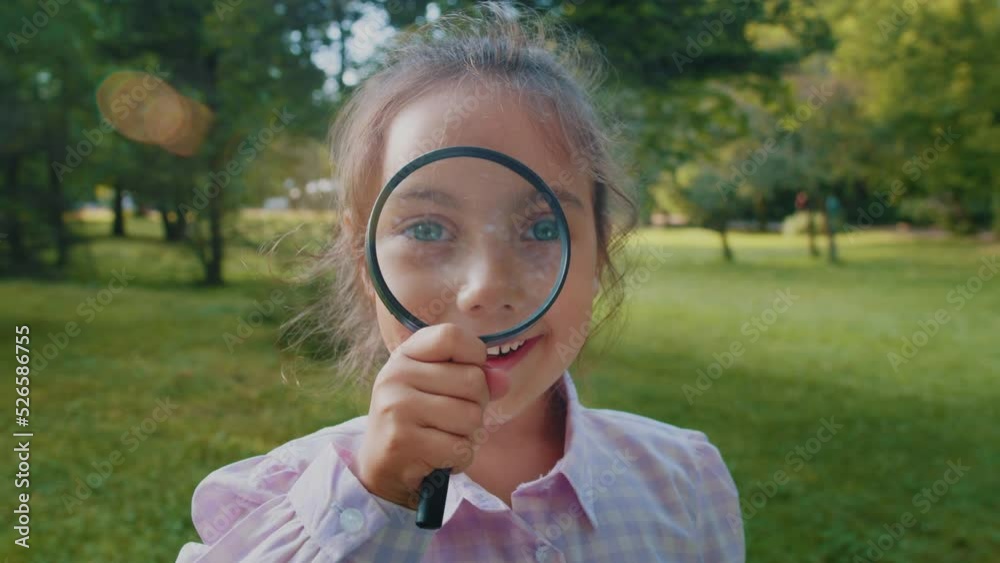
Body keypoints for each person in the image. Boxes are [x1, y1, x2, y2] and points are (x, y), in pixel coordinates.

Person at [176, 4, 744, 562]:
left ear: (599, 254)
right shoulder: (278, 502)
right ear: (363, 259)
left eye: (542, 228)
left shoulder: (685, 482)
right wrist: (370, 503)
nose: (483, 287)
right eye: (427, 228)